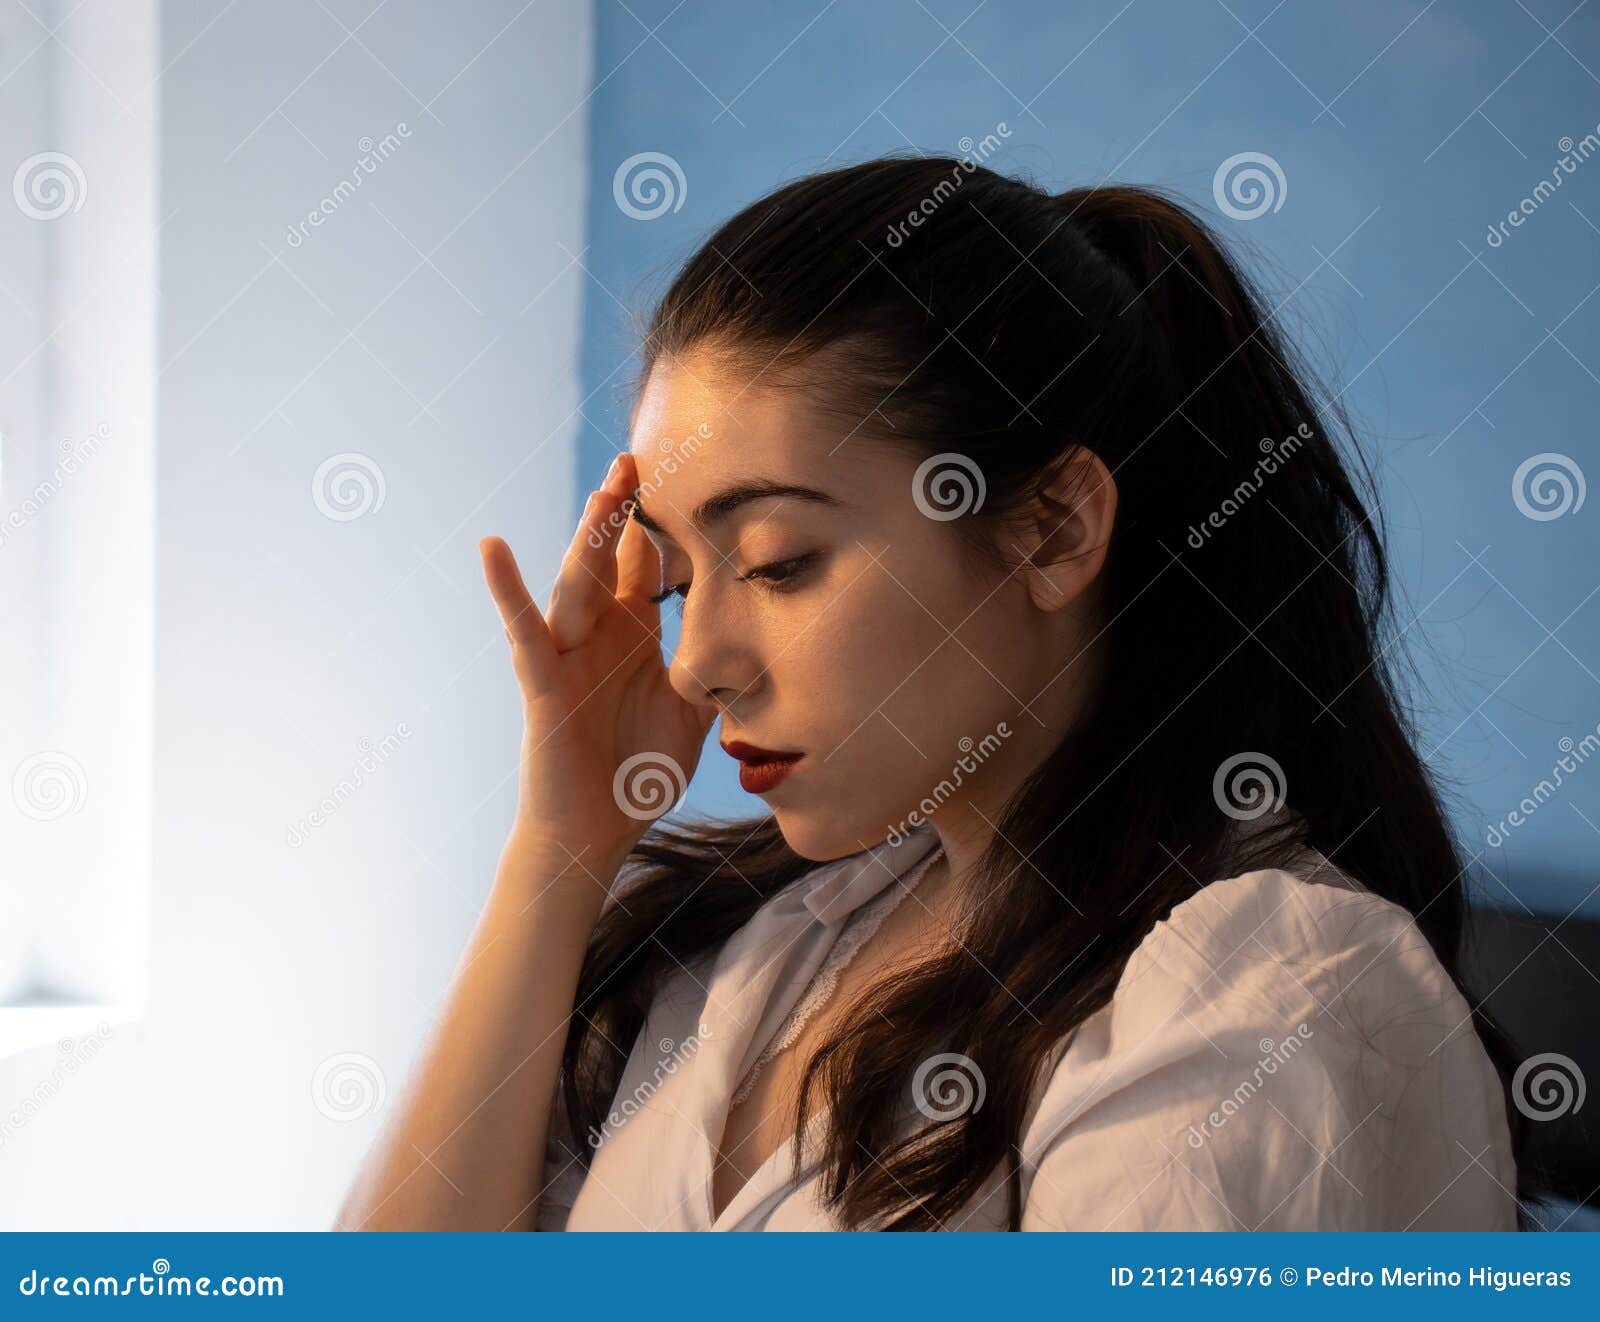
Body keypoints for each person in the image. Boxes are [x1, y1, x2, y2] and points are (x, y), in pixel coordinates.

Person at [335, 157, 1539, 1232]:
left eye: (777, 563)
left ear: (1051, 528)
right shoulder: (736, 943)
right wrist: (562, 847)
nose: (694, 661)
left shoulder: (1261, 1000)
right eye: (681, 578)